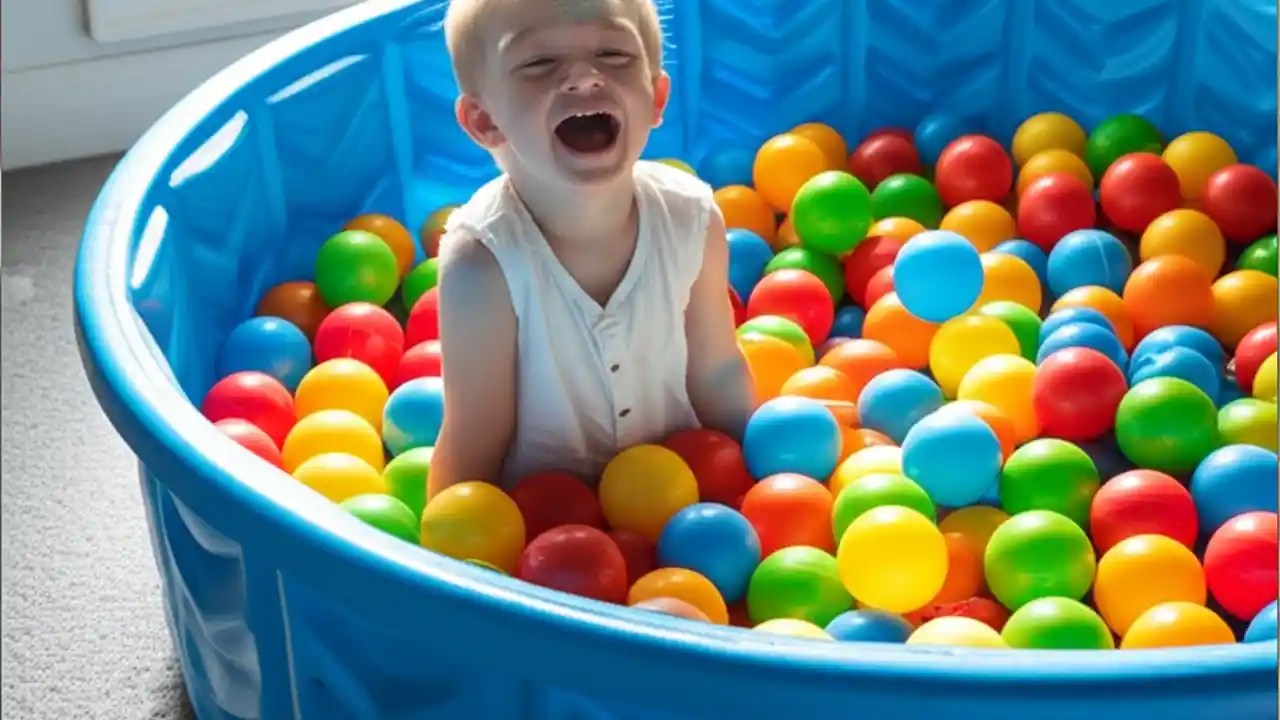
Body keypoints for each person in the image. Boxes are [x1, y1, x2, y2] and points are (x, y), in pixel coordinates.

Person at [428, 0, 756, 497]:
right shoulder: (483, 262)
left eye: (613, 52)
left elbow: (718, 373)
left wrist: (760, 479)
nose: (584, 77)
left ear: (656, 96)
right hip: (541, 532)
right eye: (540, 63)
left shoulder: (690, 217)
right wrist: (450, 552)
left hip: (687, 498)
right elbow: (475, 437)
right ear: (484, 121)